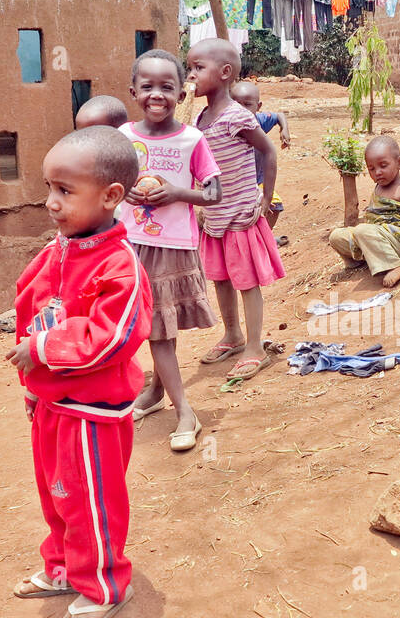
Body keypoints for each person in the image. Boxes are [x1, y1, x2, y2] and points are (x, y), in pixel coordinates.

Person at [7, 126, 150, 618]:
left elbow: (113, 336)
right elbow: (30, 307)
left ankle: (105, 584)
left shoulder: (120, 265)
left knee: (92, 501)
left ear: (111, 196)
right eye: (49, 188)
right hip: (51, 402)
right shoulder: (58, 250)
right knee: (57, 493)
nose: (51, 202)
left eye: (65, 191)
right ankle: (64, 566)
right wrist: (31, 383)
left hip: (93, 411)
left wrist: (42, 350)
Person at [118, 48, 222, 451]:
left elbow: (213, 191)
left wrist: (179, 193)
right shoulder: (125, 137)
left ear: (182, 93)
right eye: (148, 87)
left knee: (159, 332)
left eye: (167, 87)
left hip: (173, 247)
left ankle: (185, 413)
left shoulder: (192, 140)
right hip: (132, 245)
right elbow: (109, 181)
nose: (156, 95)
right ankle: (153, 394)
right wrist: (122, 191)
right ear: (133, 91)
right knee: (157, 327)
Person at [187, 38, 285, 382]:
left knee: (246, 283)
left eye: (198, 68)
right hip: (214, 217)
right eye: (190, 68)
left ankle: (255, 346)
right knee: (221, 279)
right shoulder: (198, 119)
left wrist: (265, 199)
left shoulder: (236, 116)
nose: (191, 76)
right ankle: (232, 335)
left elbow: (269, 152)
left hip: (241, 215)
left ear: (224, 73)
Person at [327, 135, 400, 289]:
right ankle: (360, 260)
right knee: (336, 235)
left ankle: (396, 266)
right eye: (372, 169)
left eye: (383, 166)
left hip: (398, 243)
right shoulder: (378, 188)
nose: (377, 172)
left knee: (363, 230)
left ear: (399, 162)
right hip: (375, 237)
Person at [230, 80, 290, 235]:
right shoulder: (227, 125)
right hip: (236, 183)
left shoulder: (259, 121)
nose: (242, 109)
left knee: (273, 206)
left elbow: (279, 115)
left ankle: (263, 237)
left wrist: (284, 130)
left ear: (258, 106)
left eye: (247, 104)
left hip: (258, 182)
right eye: (237, 104)